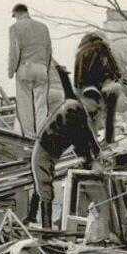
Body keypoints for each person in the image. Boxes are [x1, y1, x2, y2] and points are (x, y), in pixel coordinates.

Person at [29, 88, 104, 229]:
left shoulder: (78, 109)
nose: (97, 111)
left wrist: (97, 150)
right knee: (45, 189)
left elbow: (87, 134)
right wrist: (91, 162)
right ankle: (46, 229)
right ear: (90, 101)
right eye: (97, 107)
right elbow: (79, 140)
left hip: (50, 153)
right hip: (44, 151)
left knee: (41, 185)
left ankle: (31, 218)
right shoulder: (73, 109)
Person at [7, 3, 53, 136]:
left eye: (15, 16)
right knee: (41, 106)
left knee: (25, 105)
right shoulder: (43, 27)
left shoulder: (15, 27)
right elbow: (49, 51)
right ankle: (41, 134)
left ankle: (29, 136)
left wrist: (11, 71)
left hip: (25, 68)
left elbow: (14, 52)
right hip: (42, 68)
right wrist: (45, 68)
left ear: (17, 14)